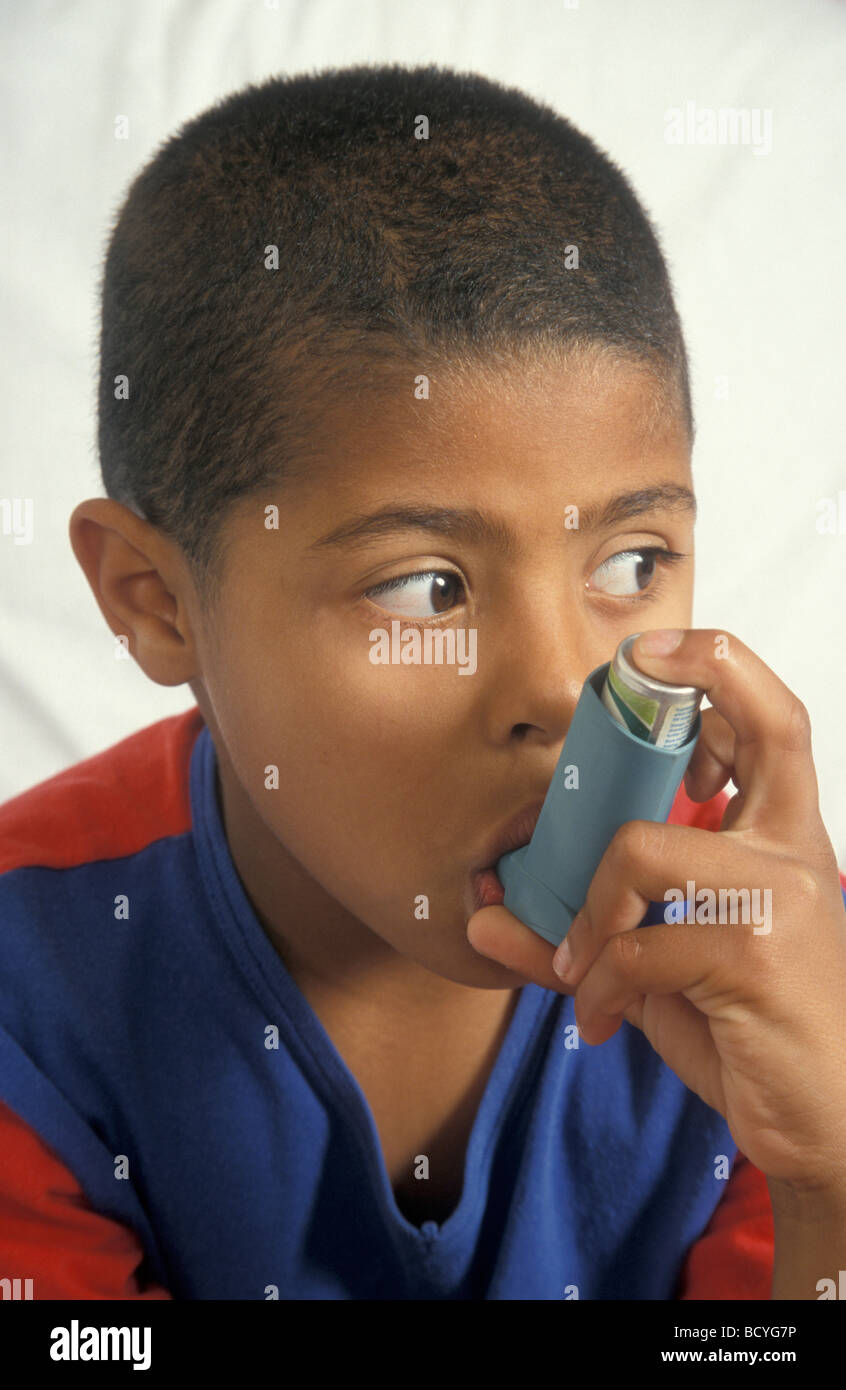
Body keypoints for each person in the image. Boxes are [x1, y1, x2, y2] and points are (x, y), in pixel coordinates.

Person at [1, 62, 844, 1300]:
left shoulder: (771, 964)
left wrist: (830, 1173)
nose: (563, 690)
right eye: (425, 589)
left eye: (631, 558)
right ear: (156, 599)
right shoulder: (32, 992)